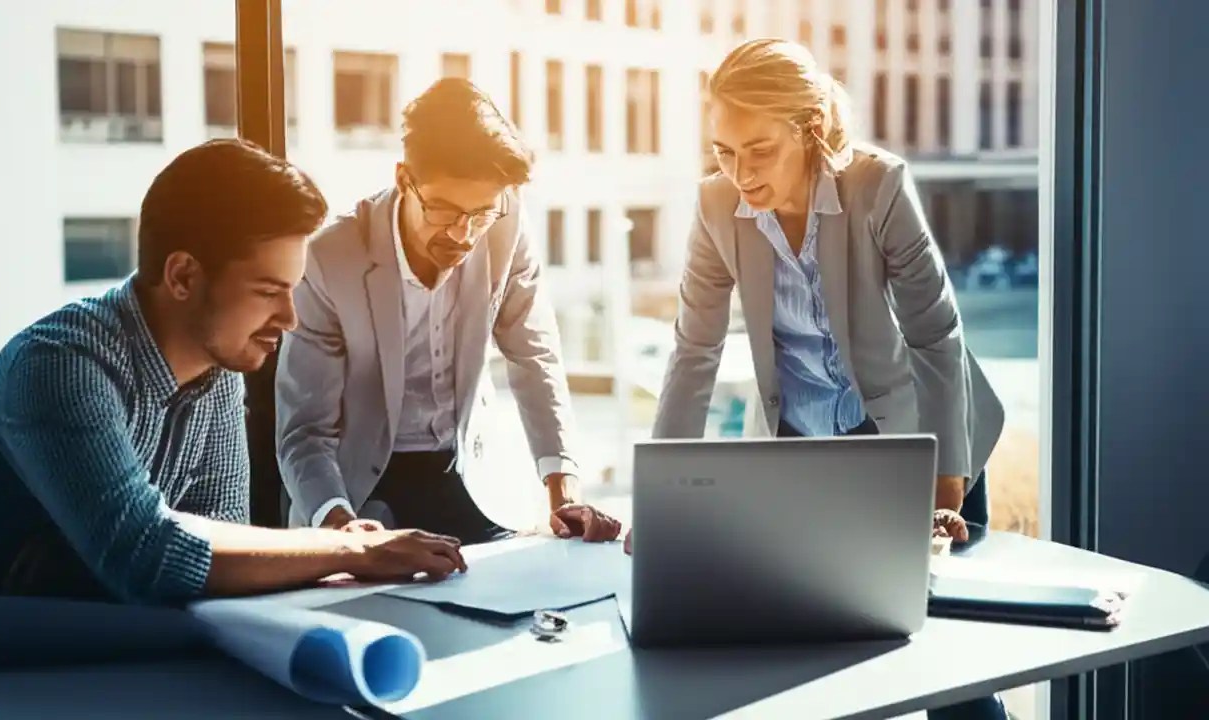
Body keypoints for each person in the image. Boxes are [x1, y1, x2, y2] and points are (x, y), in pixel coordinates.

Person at [0, 139, 466, 604]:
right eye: (267, 291)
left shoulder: (217, 376)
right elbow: (149, 557)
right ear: (183, 275)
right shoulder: (57, 366)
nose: (290, 318)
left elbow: (224, 550)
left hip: (88, 643)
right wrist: (349, 548)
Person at [642, 40, 1007, 719]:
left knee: (953, 663)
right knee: (812, 654)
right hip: (807, 451)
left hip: (922, 435)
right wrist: (663, 494)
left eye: (759, 150)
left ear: (807, 131)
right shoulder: (717, 206)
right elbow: (694, 348)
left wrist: (944, 482)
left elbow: (935, 334)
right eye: (723, 150)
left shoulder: (878, 185)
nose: (740, 171)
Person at [276, 78, 621, 546]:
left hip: (468, 478)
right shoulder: (328, 259)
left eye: (480, 213)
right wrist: (343, 530)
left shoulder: (506, 223)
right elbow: (304, 431)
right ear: (403, 180)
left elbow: (534, 357)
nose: (462, 235)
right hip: (356, 490)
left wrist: (563, 493)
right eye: (443, 210)